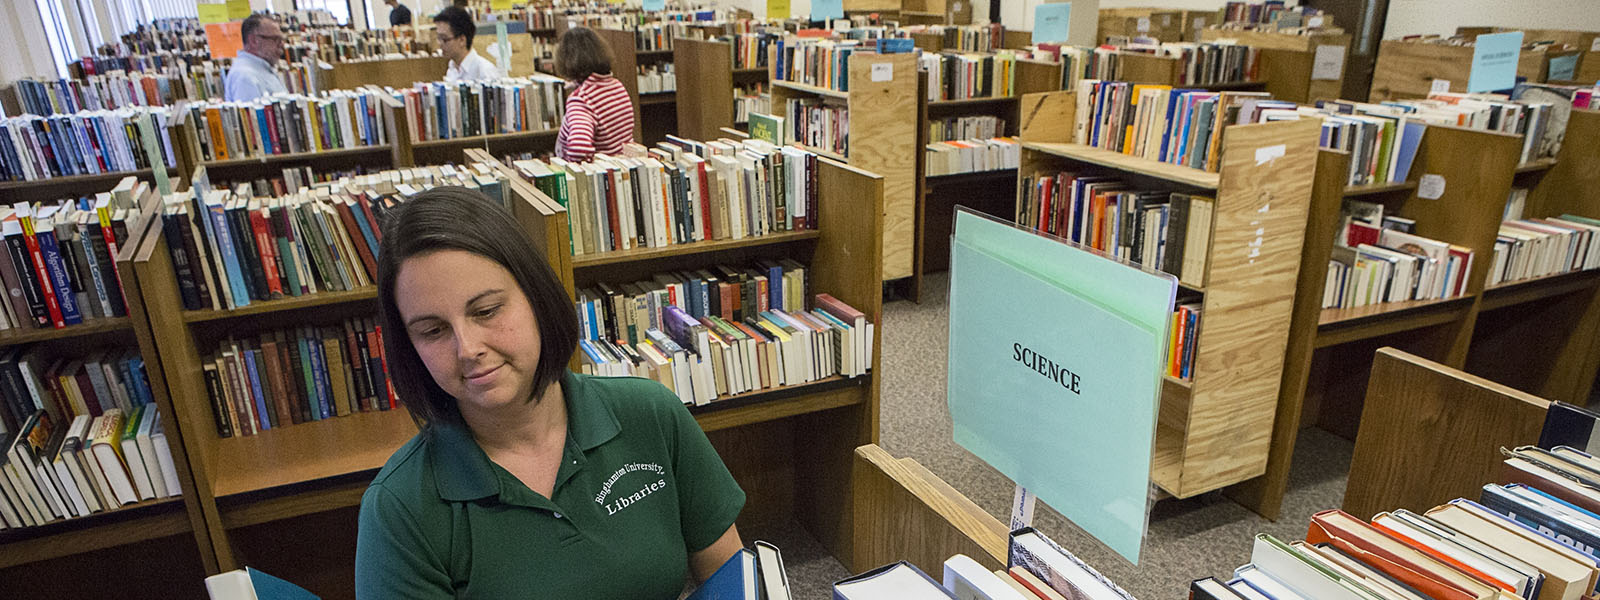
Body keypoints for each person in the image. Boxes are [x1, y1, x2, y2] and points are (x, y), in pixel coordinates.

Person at [354, 187, 746, 599]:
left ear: (535, 297)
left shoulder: (650, 414)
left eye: (486, 311)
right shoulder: (399, 509)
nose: (468, 349)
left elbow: (730, 577)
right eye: (433, 331)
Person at [553, 27, 636, 162]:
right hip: (621, 167)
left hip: (598, 177)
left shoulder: (582, 100)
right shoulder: (617, 85)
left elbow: (579, 148)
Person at [223, 14, 288, 102]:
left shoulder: (262, 68)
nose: (281, 44)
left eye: (282, 39)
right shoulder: (245, 77)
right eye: (275, 39)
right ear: (253, 41)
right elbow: (253, 115)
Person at [434, 6, 501, 83]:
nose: (440, 44)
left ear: (462, 40)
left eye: (444, 39)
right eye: (439, 38)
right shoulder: (452, 69)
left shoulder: (485, 71)